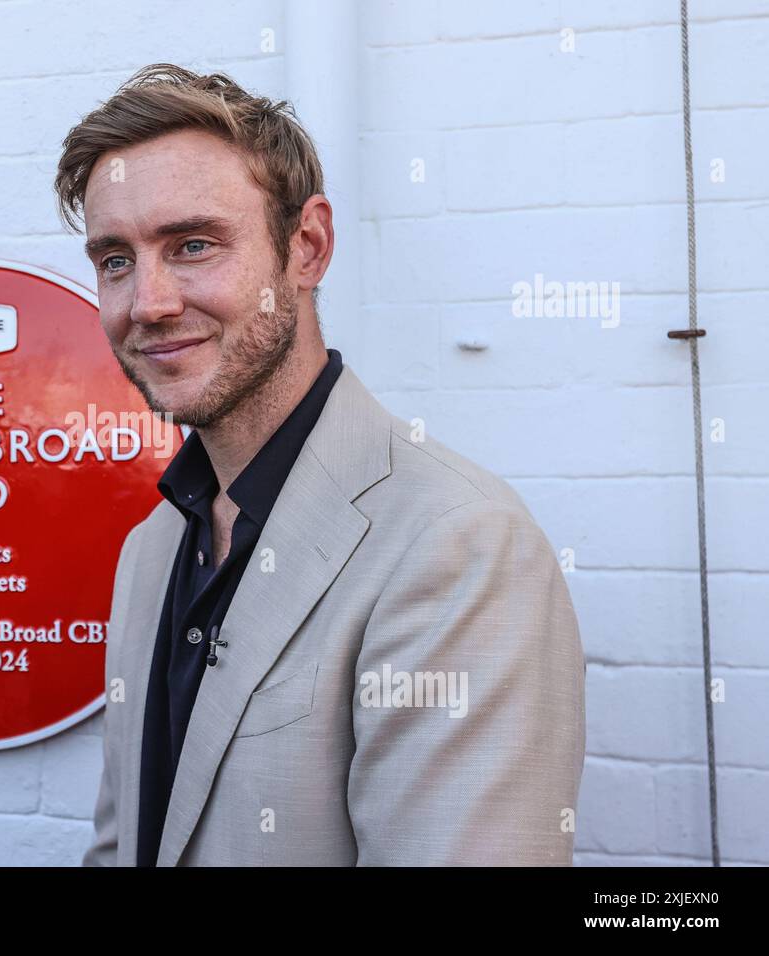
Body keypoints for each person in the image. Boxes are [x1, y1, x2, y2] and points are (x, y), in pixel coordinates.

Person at [54, 63, 585, 866]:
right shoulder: (152, 546)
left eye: (193, 244)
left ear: (307, 248)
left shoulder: (459, 547)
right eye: (116, 260)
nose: (148, 303)